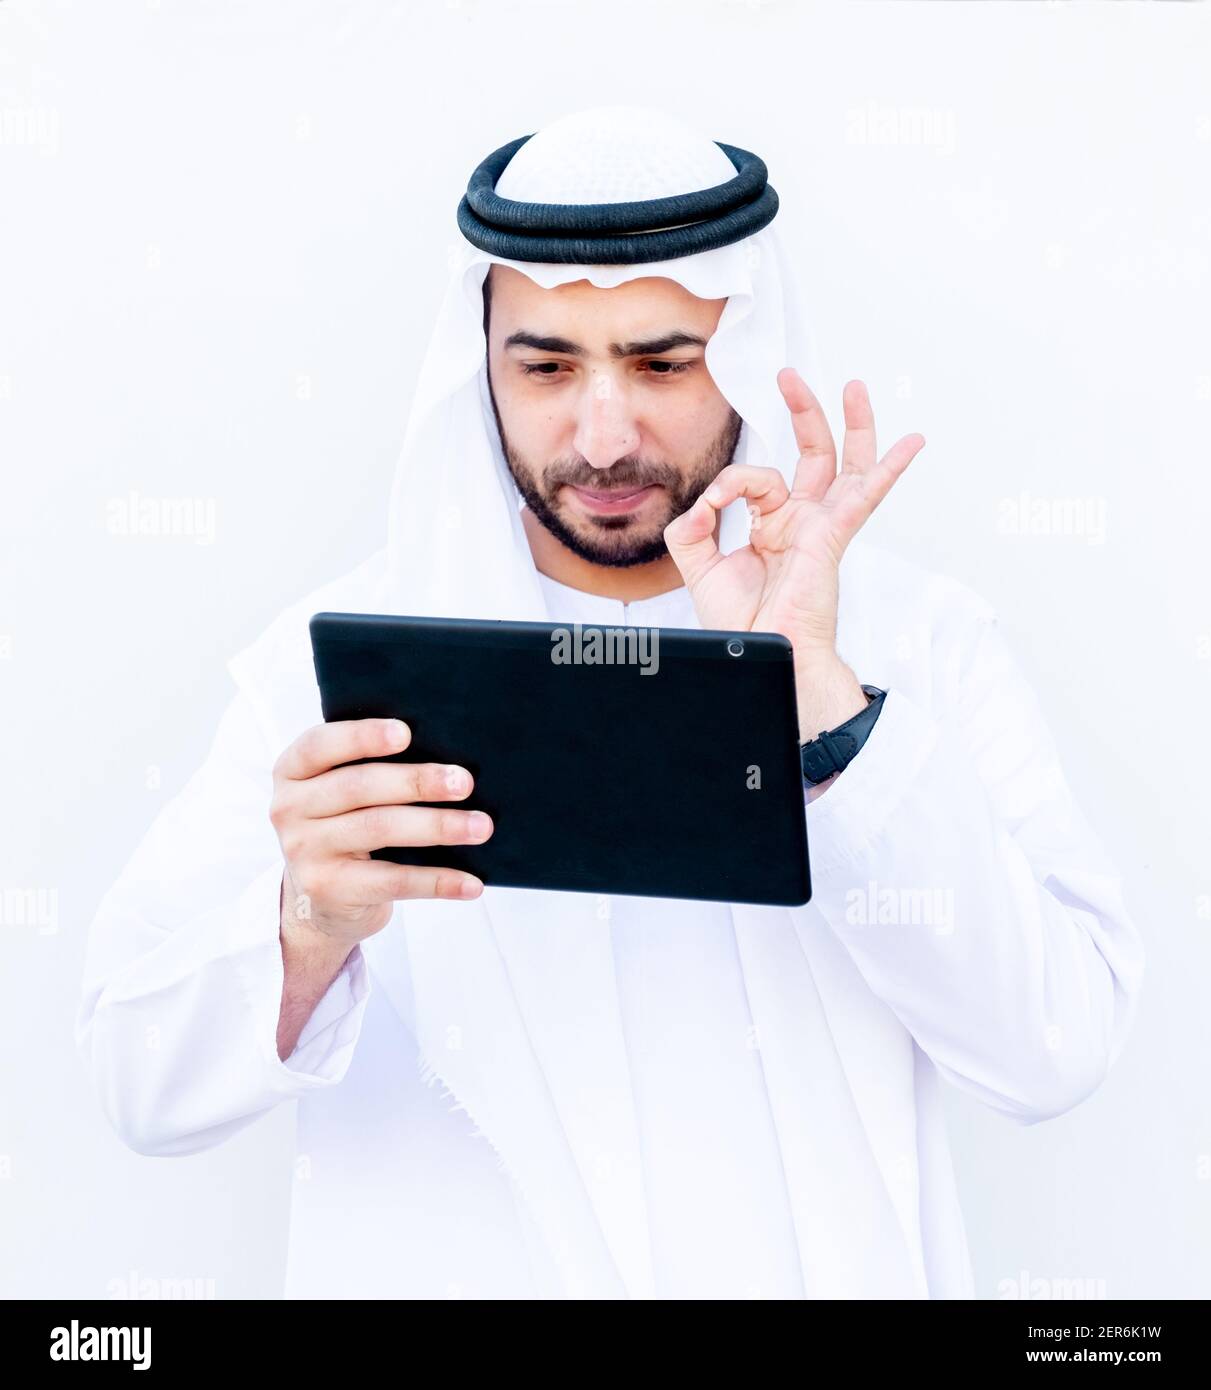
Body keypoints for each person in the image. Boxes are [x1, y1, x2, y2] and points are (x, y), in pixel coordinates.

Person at [76, 106, 1145, 1300]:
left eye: (660, 363)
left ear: (739, 351)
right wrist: (304, 927)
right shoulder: (321, 681)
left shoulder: (915, 642)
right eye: (543, 366)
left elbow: (1052, 1053)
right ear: (478, 365)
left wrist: (825, 712)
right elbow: (136, 1081)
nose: (602, 435)